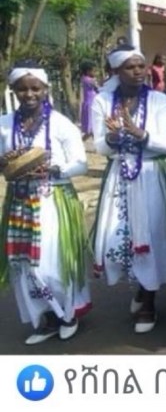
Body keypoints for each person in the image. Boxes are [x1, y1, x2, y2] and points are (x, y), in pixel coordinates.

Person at [91, 47, 166, 333]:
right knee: (120, 236)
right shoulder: (103, 101)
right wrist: (113, 136)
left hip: (153, 175)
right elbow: (100, 146)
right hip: (120, 176)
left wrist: (140, 134)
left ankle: (149, 300)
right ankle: (142, 288)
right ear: (117, 72)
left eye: (141, 66)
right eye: (131, 67)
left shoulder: (159, 100)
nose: (139, 72)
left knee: (151, 236)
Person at [0, 66, 90, 344]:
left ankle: (67, 313)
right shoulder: (4, 124)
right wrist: (8, 163)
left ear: (45, 90)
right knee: (23, 264)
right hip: (18, 201)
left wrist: (51, 168)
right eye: (23, 88)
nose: (29, 94)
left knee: (50, 263)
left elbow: (81, 164)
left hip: (53, 201)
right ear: (14, 91)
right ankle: (45, 319)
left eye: (35, 88)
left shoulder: (61, 123)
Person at [79, 60, 99, 138]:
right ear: (88, 71)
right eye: (93, 71)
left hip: (88, 103)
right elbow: (98, 88)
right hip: (92, 104)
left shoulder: (83, 79)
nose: (95, 73)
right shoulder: (90, 80)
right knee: (93, 125)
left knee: (90, 128)